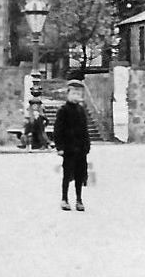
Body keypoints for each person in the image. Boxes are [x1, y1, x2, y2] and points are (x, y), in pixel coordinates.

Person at [55, 80, 91, 212]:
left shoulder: (81, 110)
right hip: (69, 148)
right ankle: (64, 199)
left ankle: (79, 200)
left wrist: (87, 146)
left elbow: (85, 130)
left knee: (80, 175)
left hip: (81, 149)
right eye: (73, 93)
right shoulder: (63, 110)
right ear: (68, 94)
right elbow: (58, 130)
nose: (76, 95)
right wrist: (60, 147)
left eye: (78, 93)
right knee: (67, 175)